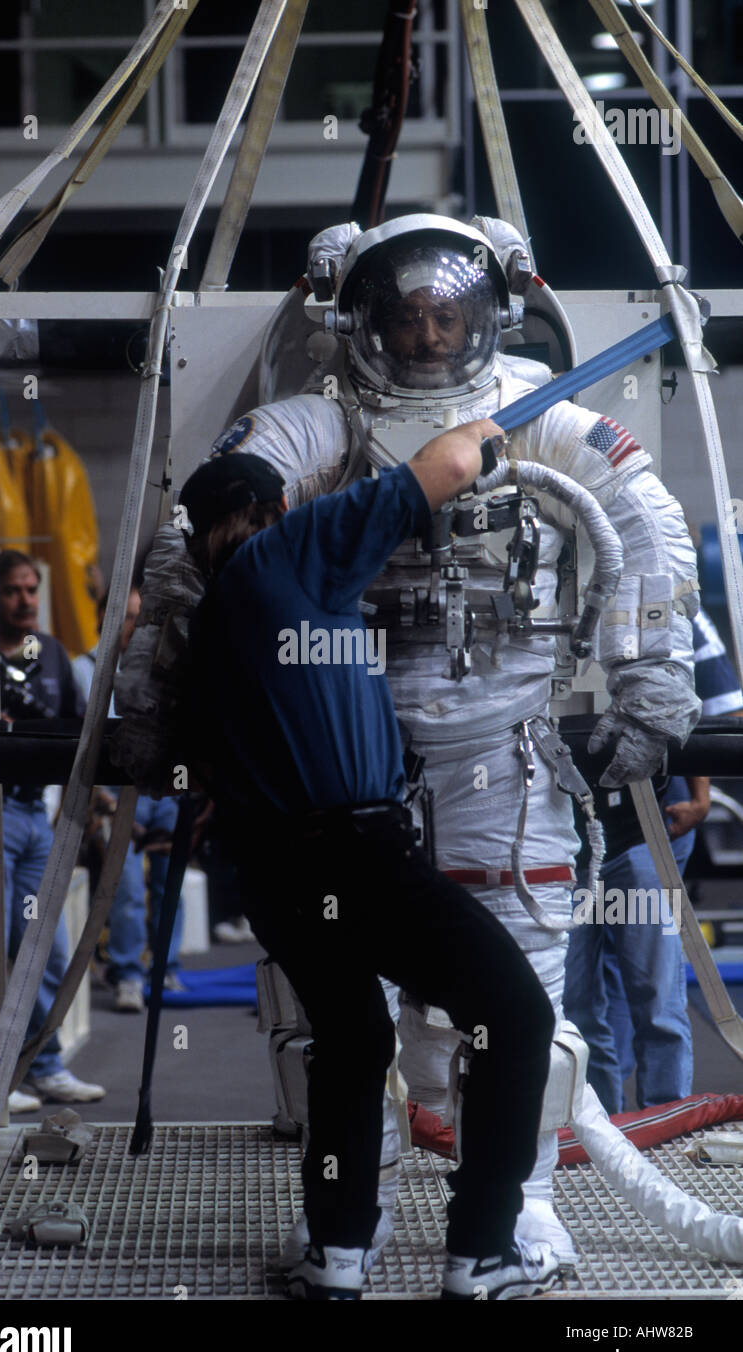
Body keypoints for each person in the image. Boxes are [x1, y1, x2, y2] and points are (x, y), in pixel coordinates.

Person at [191, 213, 701, 1267]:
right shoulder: (315, 422)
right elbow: (194, 541)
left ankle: (515, 1210)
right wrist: (160, 721)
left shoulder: (539, 409)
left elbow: (647, 526)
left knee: (524, 992)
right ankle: (352, 1220)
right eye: (405, 315)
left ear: (487, 312)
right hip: (360, 763)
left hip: (500, 752)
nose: (426, 336)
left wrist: (651, 690)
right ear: (361, 316)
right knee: (335, 1021)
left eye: (444, 313)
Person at [178, 434, 557, 1301]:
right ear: (273, 511)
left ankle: (336, 1252)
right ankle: (484, 1254)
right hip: (357, 856)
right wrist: (487, 433)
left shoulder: (213, 621)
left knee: (352, 1041)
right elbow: (452, 467)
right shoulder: (290, 550)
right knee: (515, 1015)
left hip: (276, 873)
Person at [564, 606, 743, 1112]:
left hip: (644, 831)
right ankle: (597, 1123)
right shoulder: (539, 615)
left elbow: (714, 704)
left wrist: (701, 795)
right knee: (578, 1001)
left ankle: (665, 1118)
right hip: (564, 844)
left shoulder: (659, 607)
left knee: (654, 991)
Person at [0, 549, 105, 1111]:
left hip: (38, 820)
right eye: (13, 590)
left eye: (31, 590)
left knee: (44, 948)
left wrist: (79, 806)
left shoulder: (50, 655)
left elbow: (81, 735)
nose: (25, 601)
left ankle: (42, 1066)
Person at [73, 587, 186, 1011]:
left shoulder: (164, 668)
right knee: (126, 889)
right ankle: (128, 974)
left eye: (141, 615)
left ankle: (166, 966)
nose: (134, 624)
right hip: (118, 792)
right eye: (124, 615)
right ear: (103, 617)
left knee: (167, 880)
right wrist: (100, 800)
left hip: (162, 789)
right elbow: (77, 744)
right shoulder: (85, 670)